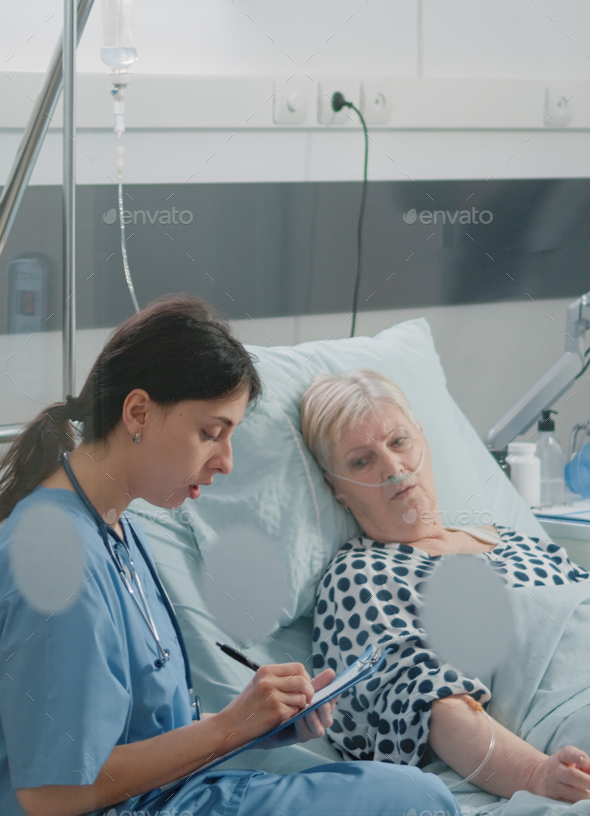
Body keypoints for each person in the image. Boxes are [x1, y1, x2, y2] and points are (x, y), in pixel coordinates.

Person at [0, 298, 460, 816]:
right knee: (412, 800)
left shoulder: (116, 528)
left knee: (407, 792)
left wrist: (257, 725)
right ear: (138, 413)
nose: (225, 462)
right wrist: (227, 728)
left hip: (177, 793)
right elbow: (50, 795)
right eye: (211, 433)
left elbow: (147, 734)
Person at [301, 368, 590, 805]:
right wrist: (537, 775)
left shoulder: (516, 541)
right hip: (559, 728)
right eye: (362, 461)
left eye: (399, 442)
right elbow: (433, 705)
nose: (394, 468)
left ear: (423, 438)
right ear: (336, 488)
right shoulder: (363, 576)